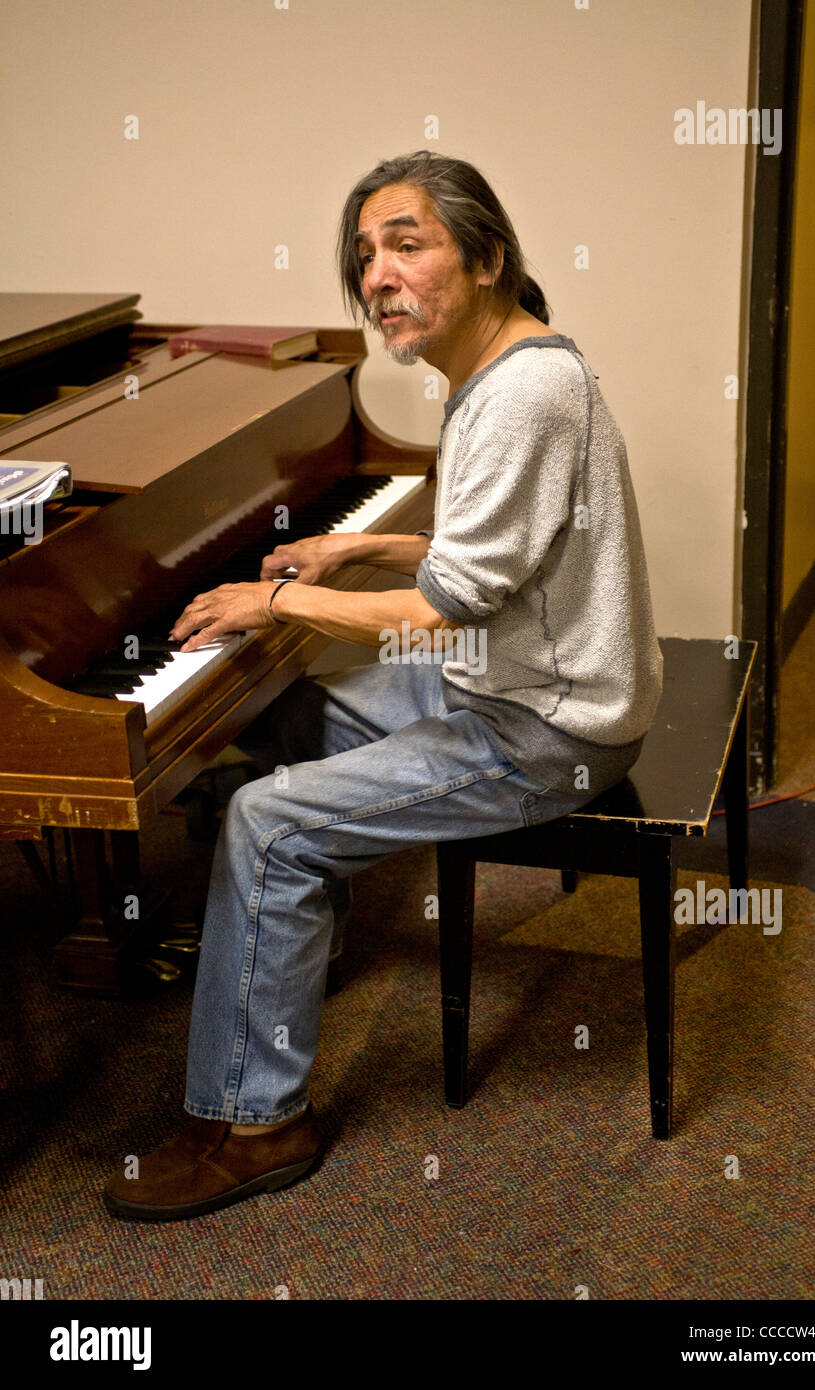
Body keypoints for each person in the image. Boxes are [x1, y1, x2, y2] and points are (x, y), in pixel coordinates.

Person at [104, 150, 663, 1222]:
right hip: (504, 683)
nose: (375, 277)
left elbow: (443, 610)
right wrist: (353, 552)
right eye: (364, 255)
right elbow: (489, 558)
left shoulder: (524, 396)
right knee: (273, 712)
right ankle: (276, 947)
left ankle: (258, 1123)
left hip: (546, 730)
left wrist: (277, 605)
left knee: (268, 822)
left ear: (488, 257)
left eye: (406, 244)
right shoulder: (505, 368)